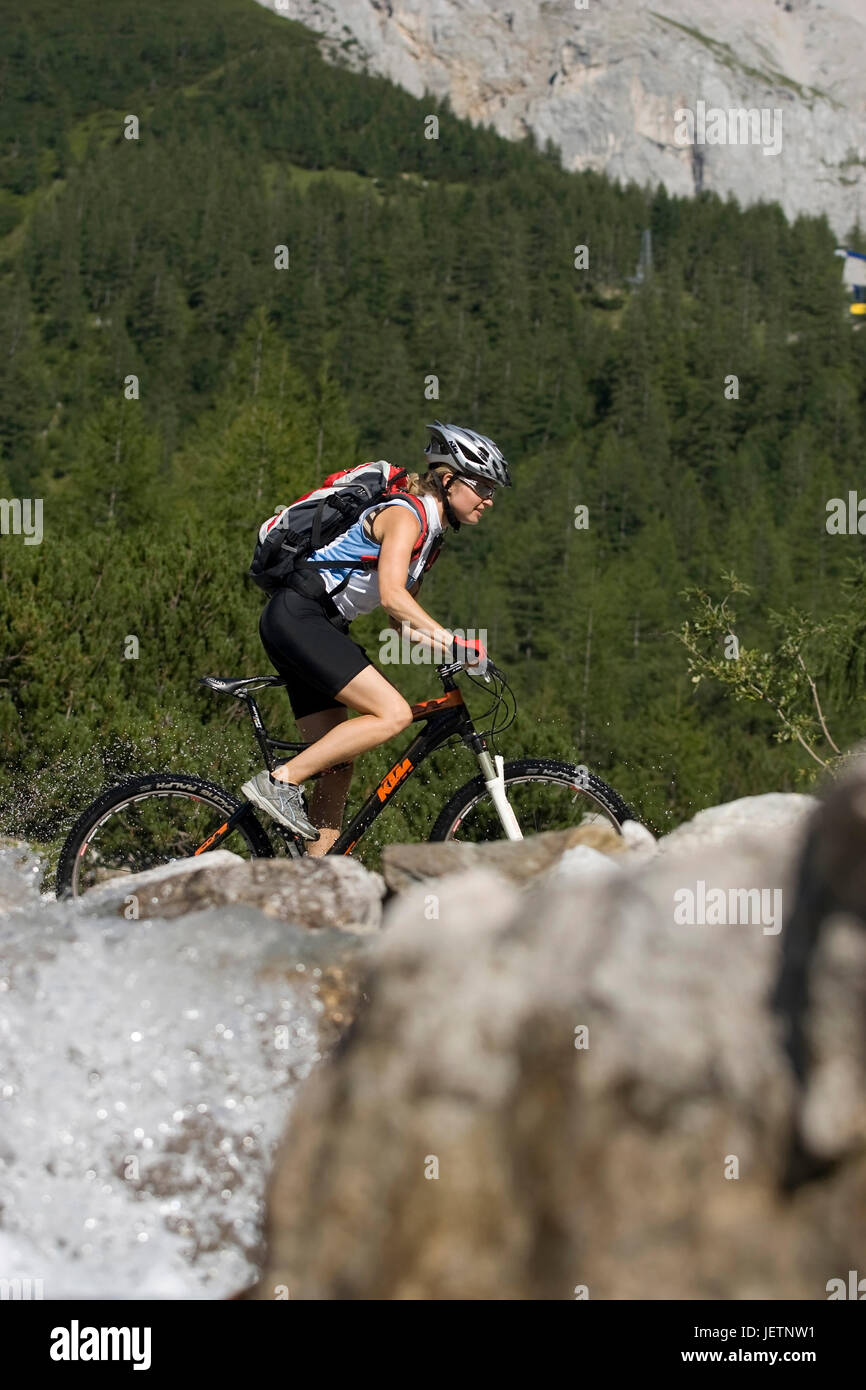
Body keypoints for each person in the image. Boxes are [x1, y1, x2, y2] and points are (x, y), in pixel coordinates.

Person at [241, 420, 512, 854]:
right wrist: (454, 639)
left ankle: (317, 881)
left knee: (338, 767)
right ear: (447, 480)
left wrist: (450, 650)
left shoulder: (431, 541)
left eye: (493, 490)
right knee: (394, 714)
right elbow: (391, 597)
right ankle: (281, 782)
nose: (489, 499)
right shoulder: (406, 516)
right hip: (300, 616)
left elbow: (400, 625)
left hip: (314, 625)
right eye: (482, 486)